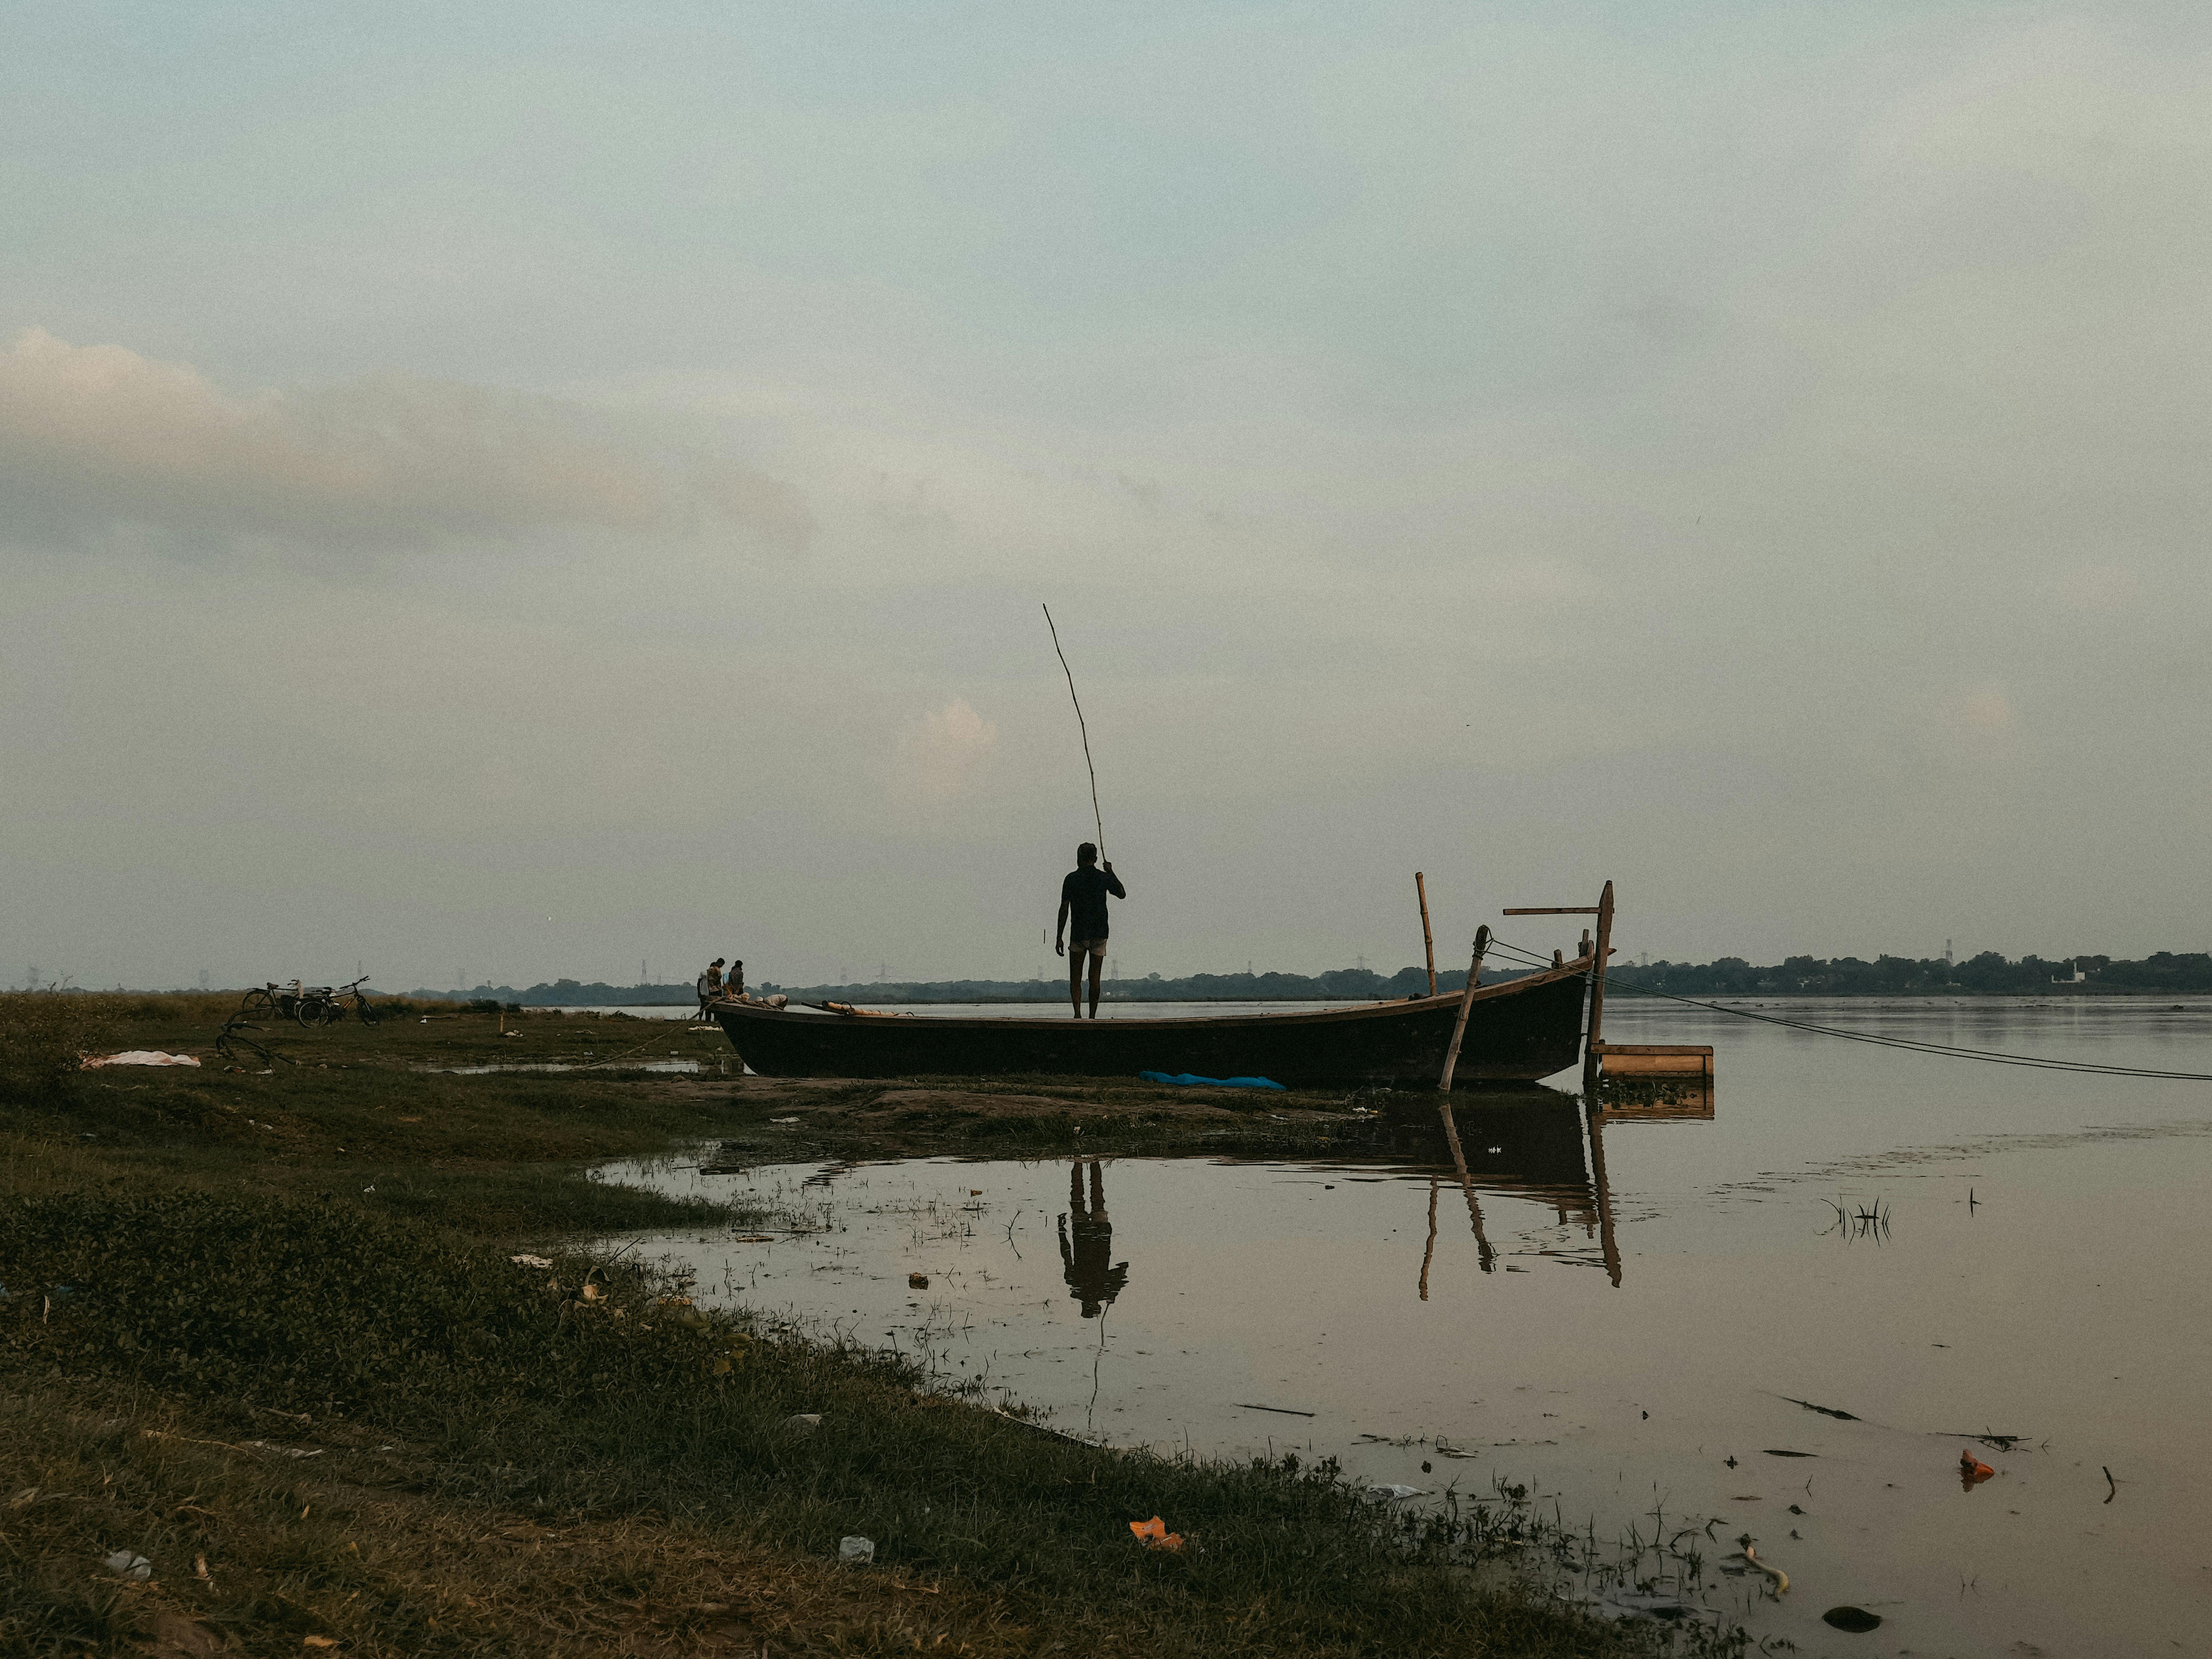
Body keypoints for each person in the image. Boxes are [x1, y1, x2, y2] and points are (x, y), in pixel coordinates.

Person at [1054, 842, 1125, 1018]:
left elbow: (1064, 909)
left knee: (1076, 978)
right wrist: (1110, 871)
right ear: (1095, 859)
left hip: (1079, 932)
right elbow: (1122, 893)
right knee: (1095, 978)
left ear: (1079, 858)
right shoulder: (1103, 877)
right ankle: (1092, 1017)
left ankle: (1078, 1015)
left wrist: (1059, 937)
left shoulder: (1071, 879)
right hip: (1100, 932)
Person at [1057, 1159, 1128, 1319]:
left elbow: (1124, 1267)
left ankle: (1094, 1160)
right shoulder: (1075, 1286)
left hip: (1101, 1235)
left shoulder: (1105, 1290)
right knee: (1078, 1196)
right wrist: (1061, 1230)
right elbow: (1066, 1253)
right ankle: (1080, 1161)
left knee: (1097, 1197)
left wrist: (1114, 1292)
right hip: (1082, 1233)